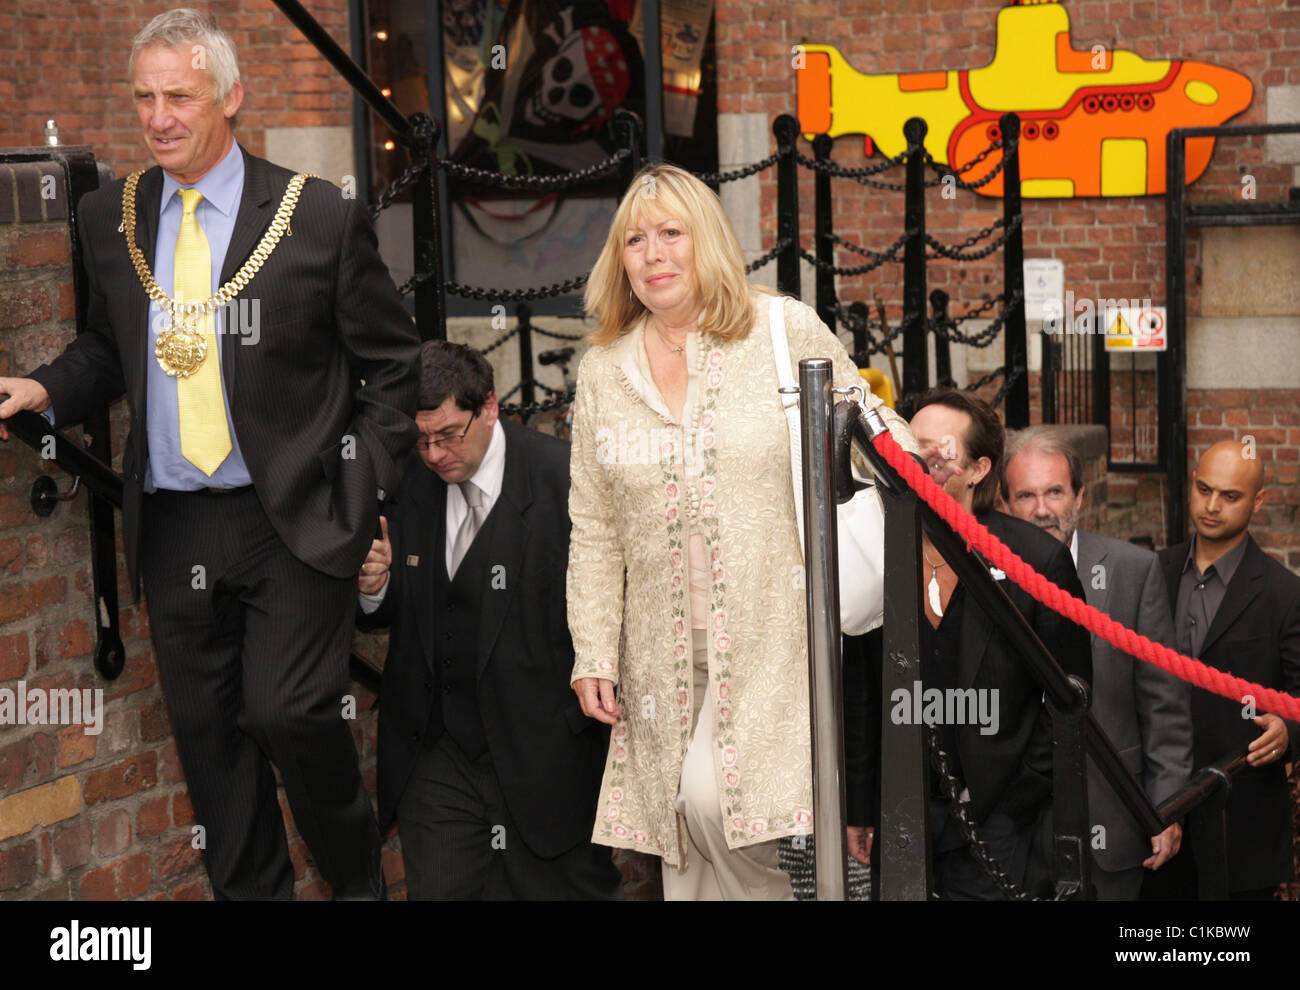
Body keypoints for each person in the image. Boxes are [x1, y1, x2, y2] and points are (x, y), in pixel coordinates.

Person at [0, 9, 419, 899]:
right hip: (175, 523)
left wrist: (357, 485)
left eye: (179, 96)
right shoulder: (106, 217)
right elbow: (108, 352)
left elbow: (393, 371)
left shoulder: (317, 217)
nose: (158, 117)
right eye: (144, 98)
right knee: (212, 746)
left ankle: (357, 887)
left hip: (294, 521)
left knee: (291, 708)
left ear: (230, 95)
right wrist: (44, 388)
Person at [565, 162, 918, 900]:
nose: (654, 254)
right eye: (636, 240)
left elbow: (869, 426)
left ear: (709, 243)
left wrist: (921, 457)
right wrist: (593, 649)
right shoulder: (605, 370)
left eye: (671, 234)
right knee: (682, 842)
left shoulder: (778, 329)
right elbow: (593, 524)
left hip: (772, 633)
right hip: (658, 648)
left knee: (710, 803)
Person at [356, 341, 622, 900]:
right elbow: (404, 613)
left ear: (491, 407)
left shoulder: (565, 479)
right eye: (421, 437)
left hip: (545, 759)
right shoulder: (405, 479)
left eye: (450, 433)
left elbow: (611, 602)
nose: (434, 453)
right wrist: (376, 589)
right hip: (438, 761)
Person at [844, 389, 1092, 900]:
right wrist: (862, 806)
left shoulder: (1034, 561)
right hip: (903, 812)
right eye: (913, 443)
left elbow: (1070, 698)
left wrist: (1016, 800)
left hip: (1001, 818)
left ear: (979, 469)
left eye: (942, 447)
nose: (924, 456)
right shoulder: (877, 551)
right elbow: (862, 687)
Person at [1002, 426, 1192, 900]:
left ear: (1080, 496)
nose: (1042, 509)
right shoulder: (985, 574)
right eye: (1026, 495)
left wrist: (1166, 809)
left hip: (1110, 818)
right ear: (1004, 501)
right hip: (1015, 831)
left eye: (1055, 492)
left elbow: (1164, 706)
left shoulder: (1133, 572)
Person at [1153, 439, 1300, 899]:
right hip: (1157, 815)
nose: (1211, 506)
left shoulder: (1284, 594)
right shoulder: (1152, 571)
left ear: (1259, 500)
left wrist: (1287, 731)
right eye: (1203, 489)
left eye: (1230, 496)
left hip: (1244, 823)